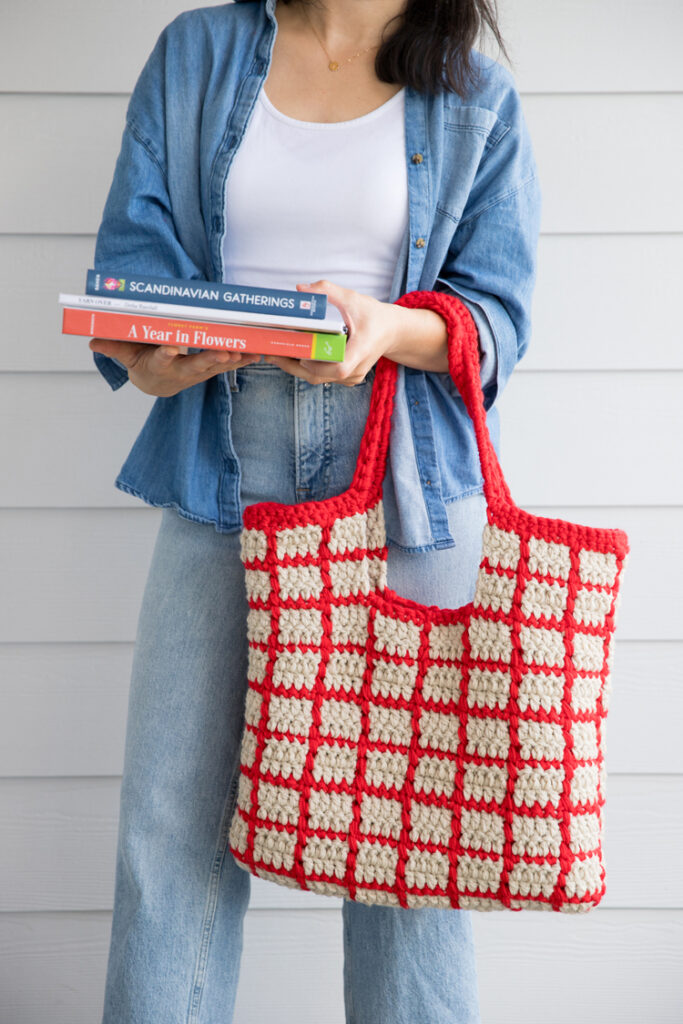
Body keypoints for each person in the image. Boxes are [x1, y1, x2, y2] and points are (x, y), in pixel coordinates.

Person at [89, 1, 541, 1021]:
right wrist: (159, 357)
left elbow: (498, 315)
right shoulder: (195, 54)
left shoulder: (473, 90)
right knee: (168, 837)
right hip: (218, 463)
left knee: (408, 852)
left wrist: (387, 327)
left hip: (410, 489)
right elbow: (135, 261)